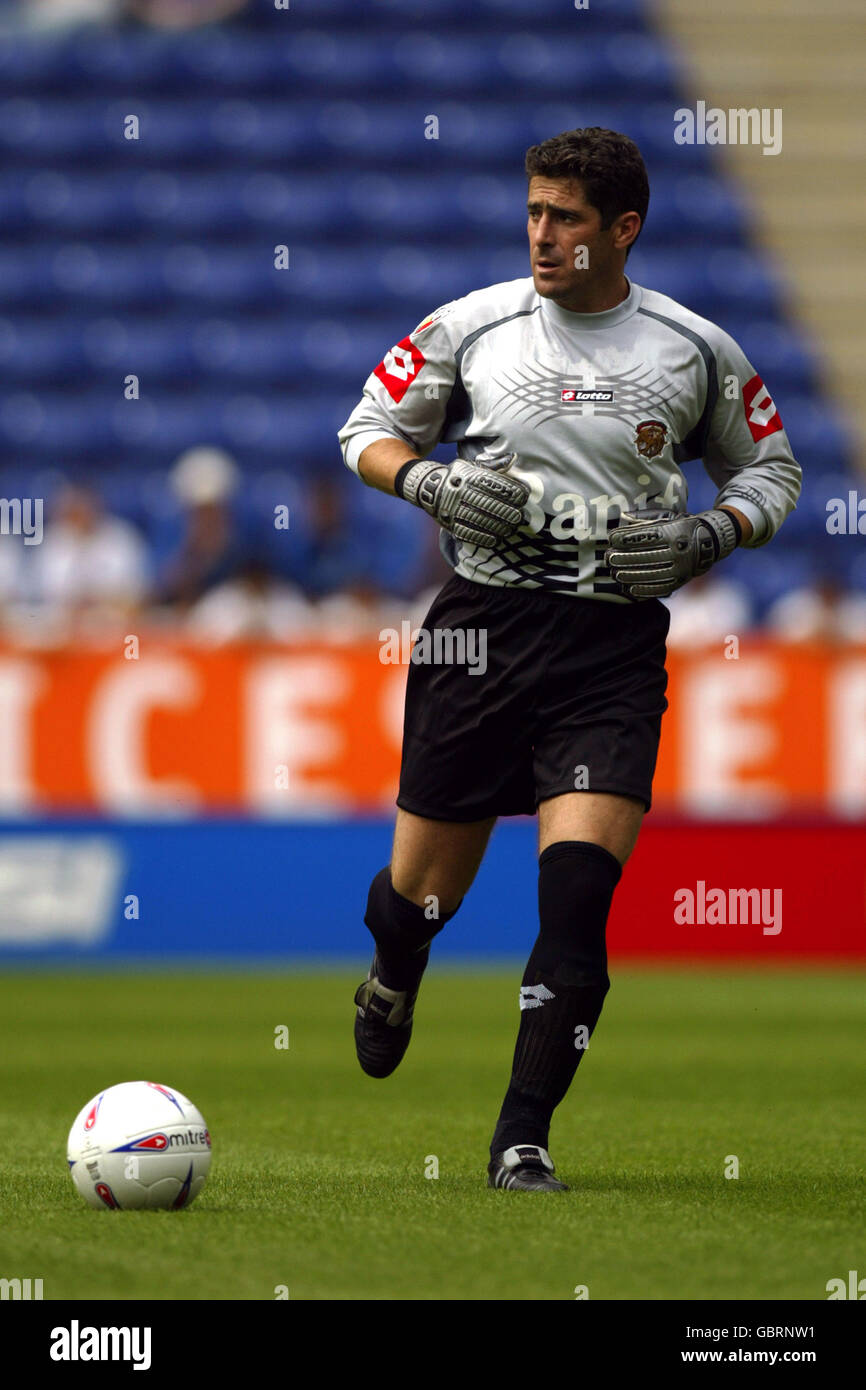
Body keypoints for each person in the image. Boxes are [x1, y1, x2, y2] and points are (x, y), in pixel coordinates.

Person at [337, 127, 802, 1193]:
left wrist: (708, 535)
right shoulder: (473, 325)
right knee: (421, 894)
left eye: (565, 218)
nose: (540, 234)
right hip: (479, 632)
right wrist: (430, 485)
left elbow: (768, 471)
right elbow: (365, 428)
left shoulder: (692, 350)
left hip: (610, 644)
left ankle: (520, 1137)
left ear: (622, 230)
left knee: (577, 899)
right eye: (533, 211)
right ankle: (394, 962)